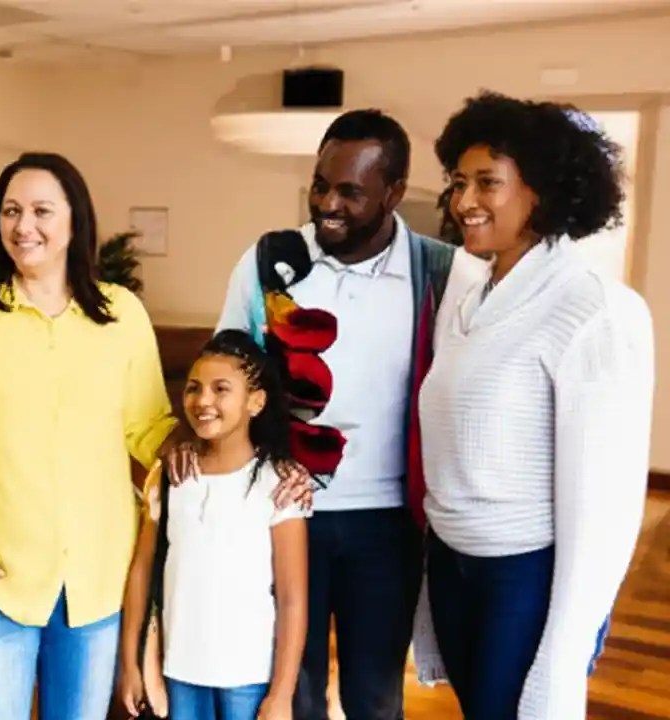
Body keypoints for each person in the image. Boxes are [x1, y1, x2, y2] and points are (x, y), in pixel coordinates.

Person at [0, 151, 179, 719]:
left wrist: (237, 452)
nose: (23, 226)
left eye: (41, 211)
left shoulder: (121, 315)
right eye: (10, 211)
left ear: (75, 220)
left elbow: (149, 426)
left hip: (97, 582)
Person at [215, 109, 460, 720]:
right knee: (290, 690)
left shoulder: (439, 272)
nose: (329, 203)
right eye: (320, 184)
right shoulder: (270, 259)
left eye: (351, 191)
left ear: (394, 193)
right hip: (283, 513)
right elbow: (225, 370)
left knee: (374, 699)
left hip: (387, 526)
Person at [418, 91, 654, 720]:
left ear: (544, 192)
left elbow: (605, 509)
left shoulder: (596, 309)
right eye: (458, 182)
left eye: (487, 183)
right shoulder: (468, 300)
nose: (464, 202)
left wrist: (569, 641)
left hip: (523, 576)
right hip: (452, 563)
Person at [119, 330, 309, 720]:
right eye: (193, 388)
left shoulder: (278, 485)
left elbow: (292, 598)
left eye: (221, 389)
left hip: (249, 676)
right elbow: (141, 572)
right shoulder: (170, 477)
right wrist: (130, 664)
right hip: (180, 672)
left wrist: (282, 694)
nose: (203, 400)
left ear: (256, 402)